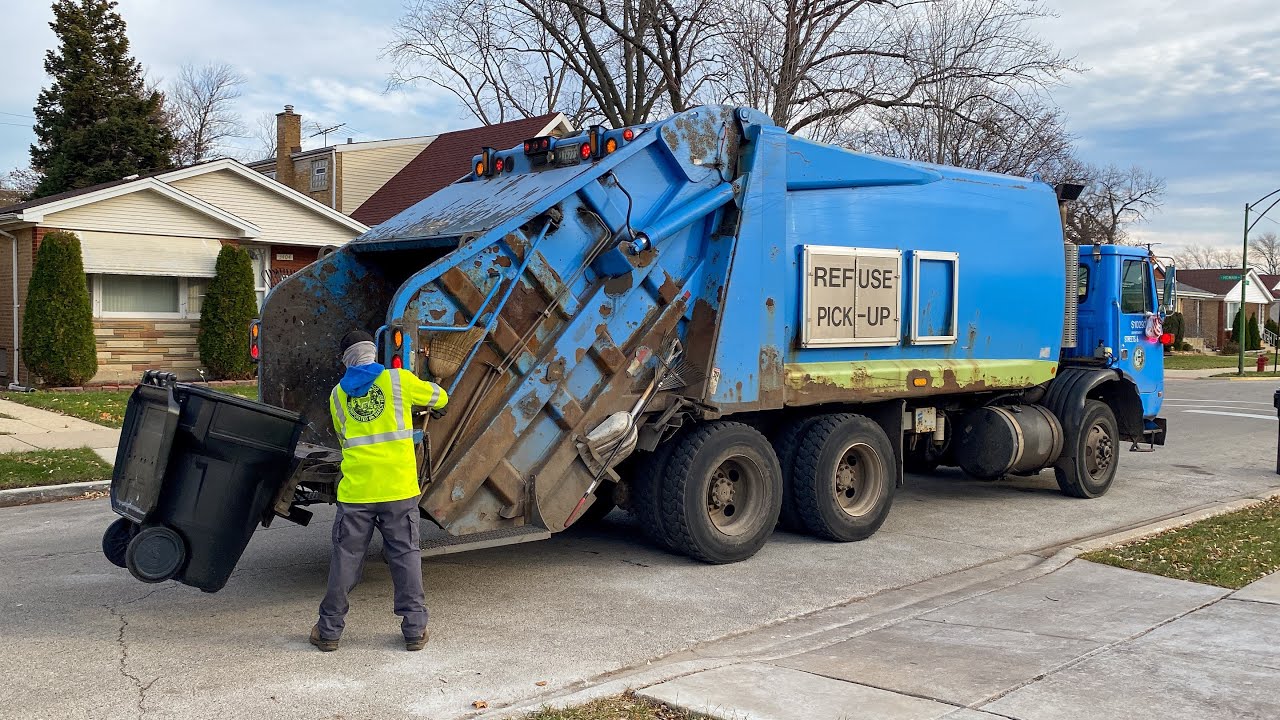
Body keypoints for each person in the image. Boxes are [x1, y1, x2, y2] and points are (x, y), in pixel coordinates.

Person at [310, 330, 448, 652]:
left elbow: (345, 439)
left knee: (346, 558)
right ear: (373, 353)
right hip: (398, 488)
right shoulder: (399, 380)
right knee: (405, 556)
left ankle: (329, 631)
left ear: (346, 359)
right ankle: (415, 630)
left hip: (358, 492)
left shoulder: (336, 396)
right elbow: (440, 398)